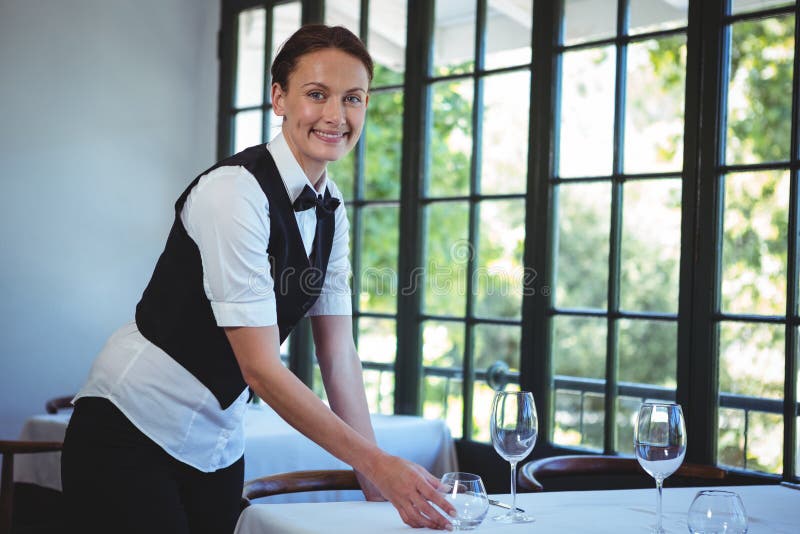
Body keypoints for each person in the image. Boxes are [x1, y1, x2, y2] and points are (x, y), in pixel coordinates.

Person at [61, 24, 455, 533]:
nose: (337, 116)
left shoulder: (333, 211)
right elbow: (262, 371)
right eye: (317, 94)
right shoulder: (233, 194)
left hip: (218, 441)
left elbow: (338, 354)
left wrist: (375, 483)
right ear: (279, 98)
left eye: (353, 99)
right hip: (128, 429)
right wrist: (382, 465)